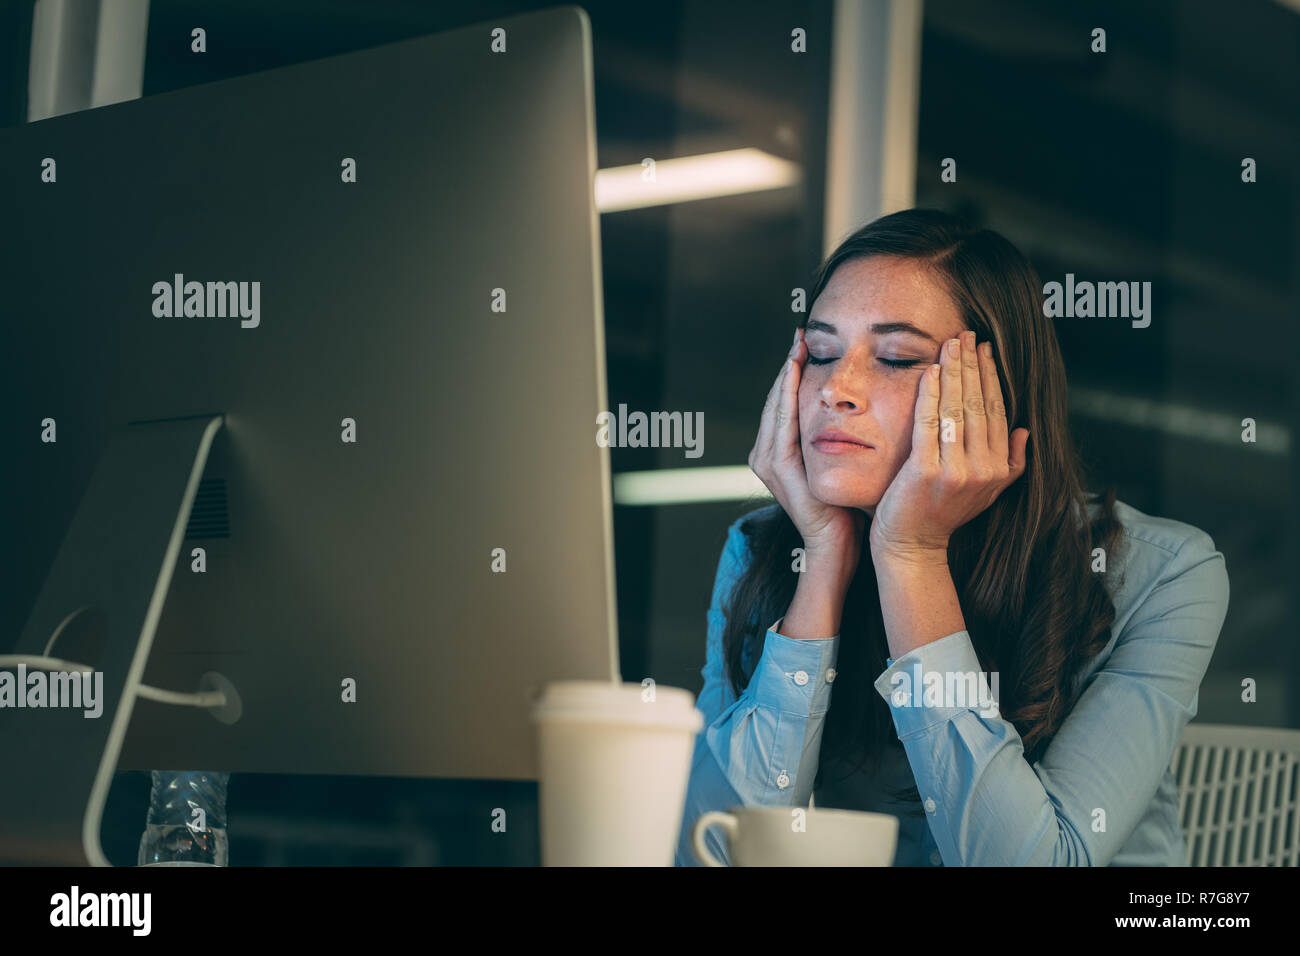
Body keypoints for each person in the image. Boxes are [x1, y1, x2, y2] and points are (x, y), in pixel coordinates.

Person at [674, 208, 1229, 866]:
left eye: (897, 357)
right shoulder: (759, 549)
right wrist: (822, 560)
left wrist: (911, 558)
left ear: (996, 395)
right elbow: (712, 847)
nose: (835, 388)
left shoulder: (1164, 574)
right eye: (820, 352)